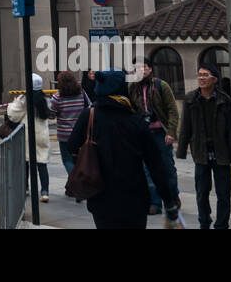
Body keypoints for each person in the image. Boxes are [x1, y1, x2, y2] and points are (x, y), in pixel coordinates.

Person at [66, 70, 177, 229]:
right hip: (134, 199)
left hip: (100, 197)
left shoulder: (89, 116)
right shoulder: (136, 120)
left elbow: (72, 147)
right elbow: (156, 165)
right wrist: (169, 201)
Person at [177, 63, 231, 229]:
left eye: (205, 75)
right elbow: (185, 128)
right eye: (200, 75)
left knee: (223, 193)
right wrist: (181, 150)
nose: (201, 78)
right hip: (200, 152)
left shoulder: (225, 100)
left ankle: (222, 224)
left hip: (222, 152)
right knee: (202, 192)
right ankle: (204, 222)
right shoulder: (190, 99)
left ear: (214, 79)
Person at [129, 57, 181, 215]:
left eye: (143, 67)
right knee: (146, 169)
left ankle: (172, 197)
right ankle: (155, 202)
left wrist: (171, 132)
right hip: (143, 134)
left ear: (150, 69)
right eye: (136, 68)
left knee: (167, 167)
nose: (140, 70)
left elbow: (172, 110)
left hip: (161, 133)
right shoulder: (131, 88)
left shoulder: (161, 85)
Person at [7, 73, 51, 203]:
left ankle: (26, 188)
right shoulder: (45, 99)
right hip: (42, 134)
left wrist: (12, 103)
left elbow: (13, 115)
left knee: (26, 162)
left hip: (27, 134)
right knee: (42, 163)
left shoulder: (23, 99)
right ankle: (44, 192)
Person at [49, 71, 90, 196]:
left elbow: (51, 115)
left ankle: (77, 186)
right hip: (80, 133)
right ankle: (72, 187)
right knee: (78, 159)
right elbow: (89, 106)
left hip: (64, 135)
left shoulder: (57, 97)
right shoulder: (82, 93)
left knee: (67, 160)